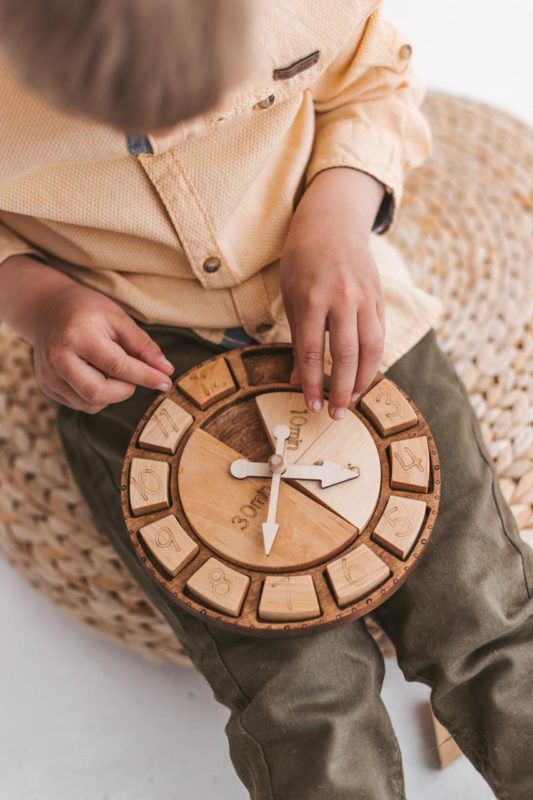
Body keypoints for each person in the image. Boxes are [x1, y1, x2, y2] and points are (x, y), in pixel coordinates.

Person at [0, 1, 531, 798]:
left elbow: (373, 80)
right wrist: (37, 300)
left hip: (334, 300)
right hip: (135, 353)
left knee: (485, 618)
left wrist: (337, 215)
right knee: (300, 700)